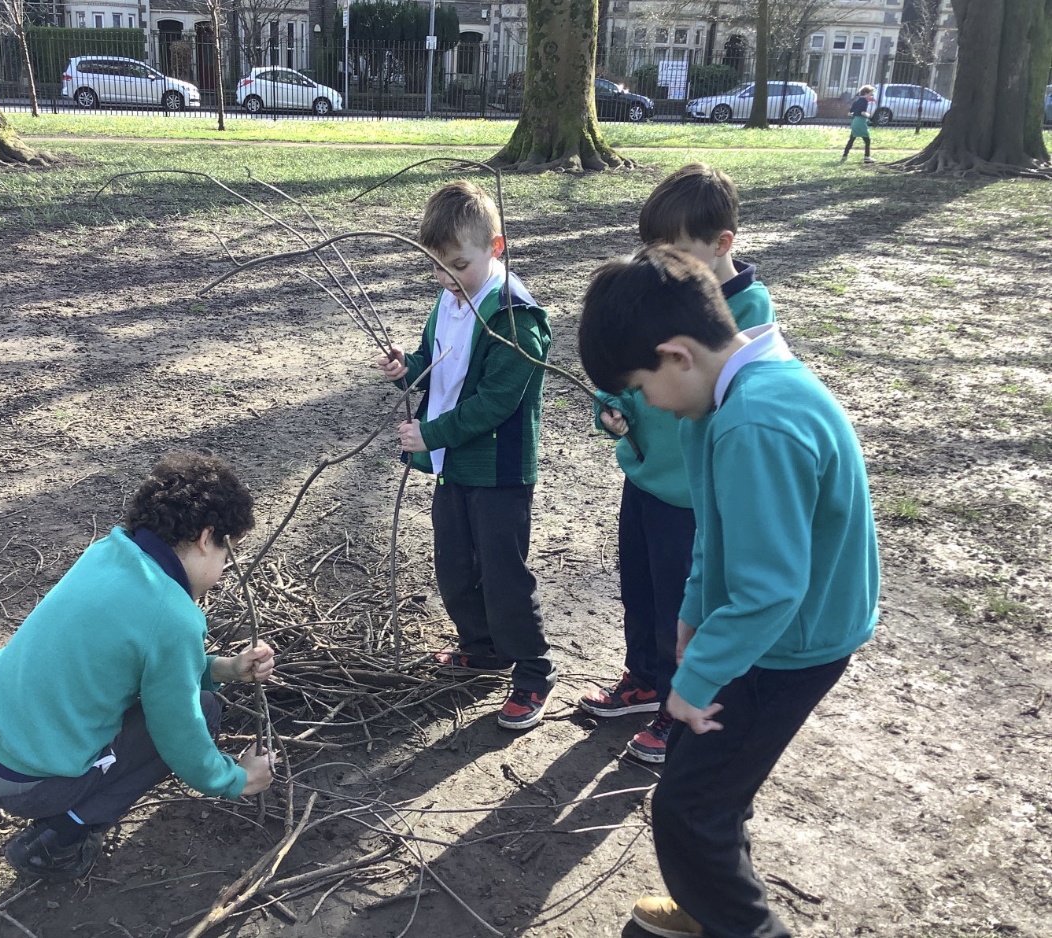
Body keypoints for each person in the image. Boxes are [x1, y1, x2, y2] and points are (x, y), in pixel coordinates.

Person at [578, 245, 879, 938]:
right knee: (705, 786)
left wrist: (700, 674)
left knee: (689, 809)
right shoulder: (734, 394)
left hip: (789, 644)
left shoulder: (754, 423)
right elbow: (718, 528)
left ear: (676, 355)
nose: (649, 405)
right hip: (760, 631)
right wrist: (691, 613)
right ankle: (708, 907)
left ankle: (741, 925)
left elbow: (771, 588)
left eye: (643, 388)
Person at [0, 451, 277, 880]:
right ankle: (56, 841)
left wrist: (223, 669)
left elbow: (122, 664)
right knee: (203, 710)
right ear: (207, 538)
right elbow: (179, 733)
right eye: (228, 552)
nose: (224, 569)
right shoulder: (173, 614)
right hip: (26, 785)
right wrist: (236, 780)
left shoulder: (105, 554)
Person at [578, 164, 775, 765]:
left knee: (679, 604)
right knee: (637, 589)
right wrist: (610, 406)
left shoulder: (745, 313)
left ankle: (674, 705)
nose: (665, 265)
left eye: (680, 252)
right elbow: (633, 372)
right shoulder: (660, 295)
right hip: (645, 477)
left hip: (692, 495)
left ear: (722, 246)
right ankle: (642, 680)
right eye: (654, 251)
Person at [376, 180, 555, 731]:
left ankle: (532, 671)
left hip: (498, 470)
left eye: (459, 265)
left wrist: (431, 435)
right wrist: (408, 365)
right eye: (437, 268)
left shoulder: (516, 317)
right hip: (453, 466)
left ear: (495, 249)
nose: (448, 279)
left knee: (503, 574)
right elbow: (437, 357)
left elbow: (496, 403)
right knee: (453, 565)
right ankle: (482, 648)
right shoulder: (449, 299)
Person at [841, 85, 877, 164]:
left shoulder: (856, 101)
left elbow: (849, 114)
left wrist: (855, 115)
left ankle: (844, 156)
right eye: (870, 94)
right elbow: (863, 112)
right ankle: (867, 157)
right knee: (867, 140)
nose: (871, 96)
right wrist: (869, 116)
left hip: (855, 122)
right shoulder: (864, 101)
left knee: (851, 140)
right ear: (866, 93)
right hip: (861, 122)